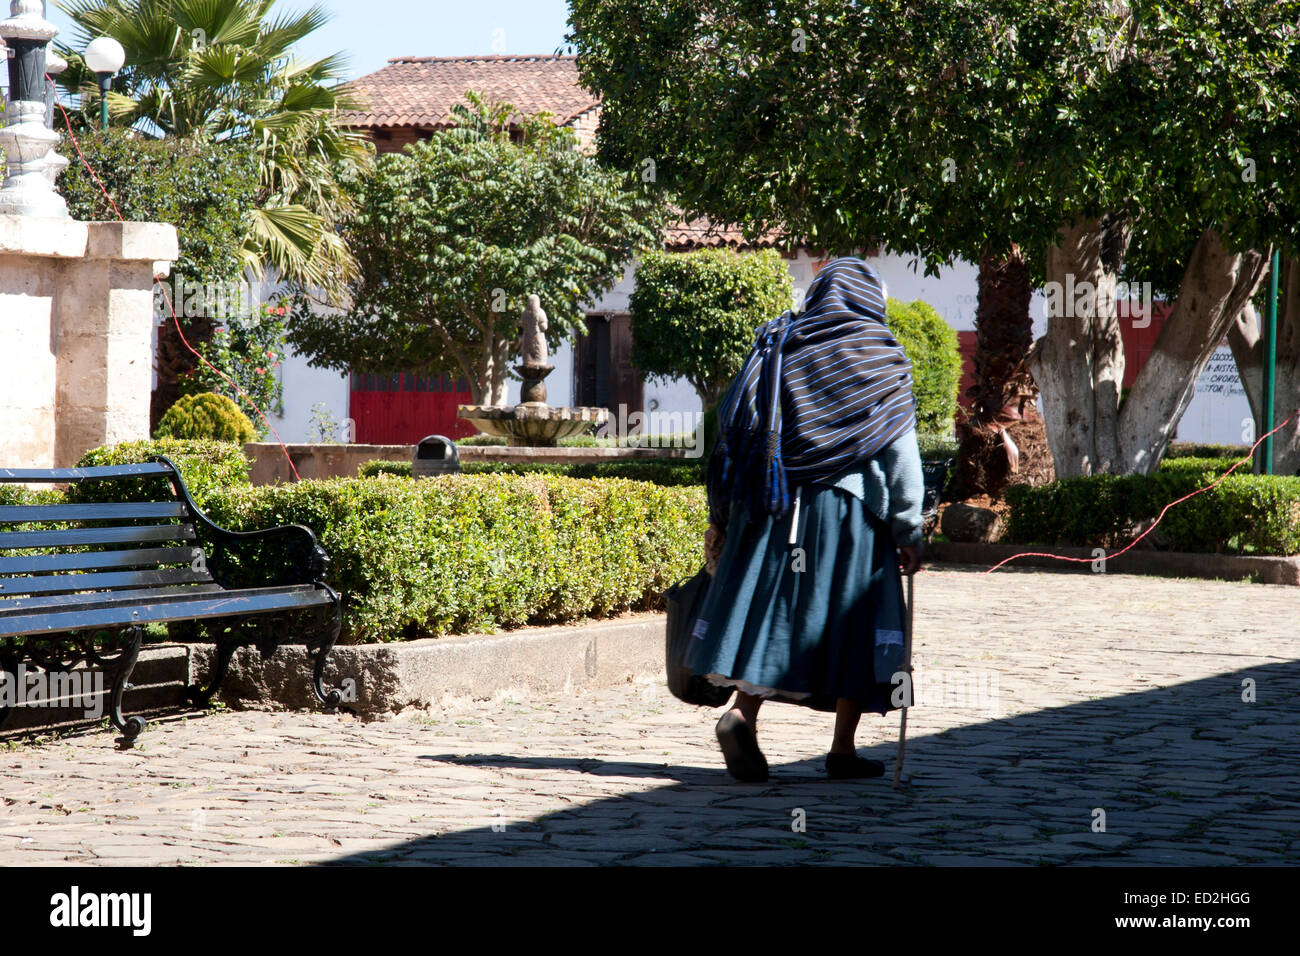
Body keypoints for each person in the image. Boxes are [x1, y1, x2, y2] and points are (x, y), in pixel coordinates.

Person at [685, 257, 925, 782]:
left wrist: (722, 517)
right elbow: (901, 456)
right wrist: (909, 530)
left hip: (772, 508)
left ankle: (740, 713)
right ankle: (841, 749)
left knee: (778, 613)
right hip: (850, 518)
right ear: (872, 301)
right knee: (850, 624)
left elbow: (735, 431)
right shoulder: (880, 357)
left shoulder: (779, 346)